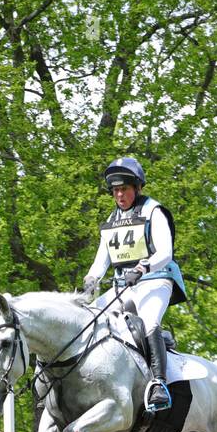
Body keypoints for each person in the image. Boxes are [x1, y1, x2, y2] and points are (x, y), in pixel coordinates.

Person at [81, 156, 188, 413]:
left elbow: (165, 252)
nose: (119, 194)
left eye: (124, 189)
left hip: (156, 280)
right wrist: (90, 281)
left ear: (136, 188)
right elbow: (101, 261)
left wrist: (142, 268)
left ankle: (159, 384)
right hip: (124, 286)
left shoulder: (154, 211)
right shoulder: (113, 218)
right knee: (90, 319)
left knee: (149, 321)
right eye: (115, 190)